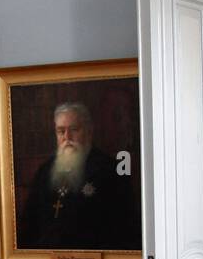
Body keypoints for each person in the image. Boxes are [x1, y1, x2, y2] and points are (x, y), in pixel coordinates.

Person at [18, 102, 139, 250]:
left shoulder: (110, 170)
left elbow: (125, 229)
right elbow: (29, 225)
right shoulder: (44, 171)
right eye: (61, 131)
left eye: (74, 129)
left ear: (89, 131)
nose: (67, 137)